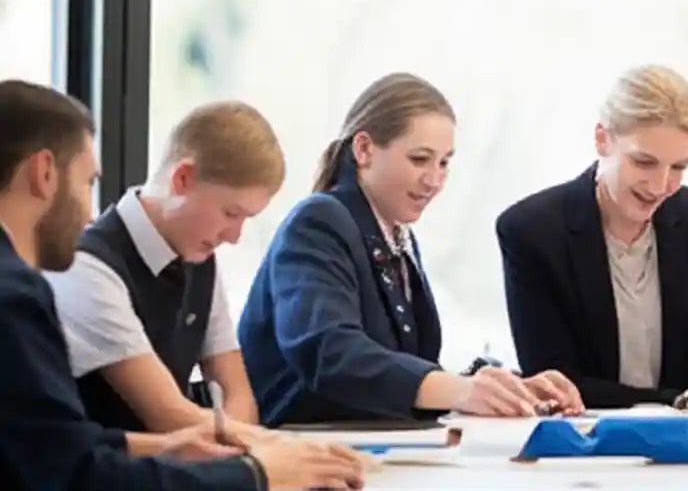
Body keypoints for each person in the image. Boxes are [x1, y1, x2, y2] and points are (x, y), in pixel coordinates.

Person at [0, 79, 364, 490]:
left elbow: (61, 444)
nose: (89, 207)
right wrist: (257, 472)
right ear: (44, 173)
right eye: (88, 183)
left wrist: (171, 448)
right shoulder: (20, 293)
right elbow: (74, 472)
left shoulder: (19, 288)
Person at [239, 72, 582, 425]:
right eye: (420, 159)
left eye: (444, 162)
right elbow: (331, 353)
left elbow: (396, 367)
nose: (434, 180)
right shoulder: (318, 221)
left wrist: (507, 390)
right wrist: (461, 391)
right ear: (364, 149)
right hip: (302, 447)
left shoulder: (397, 235)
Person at [498, 64, 688, 411]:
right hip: (581, 445)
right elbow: (558, 382)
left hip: (685, 449)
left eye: (679, 167)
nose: (660, 186)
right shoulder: (531, 230)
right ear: (602, 139)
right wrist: (685, 404)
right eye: (644, 162)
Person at [44, 101, 282, 434]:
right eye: (231, 213)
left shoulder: (199, 258)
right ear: (182, 178)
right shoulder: (89, 268)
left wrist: (243, 445)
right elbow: (167, 415)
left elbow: (238, 394)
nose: (235, 237)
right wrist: (265, 447)